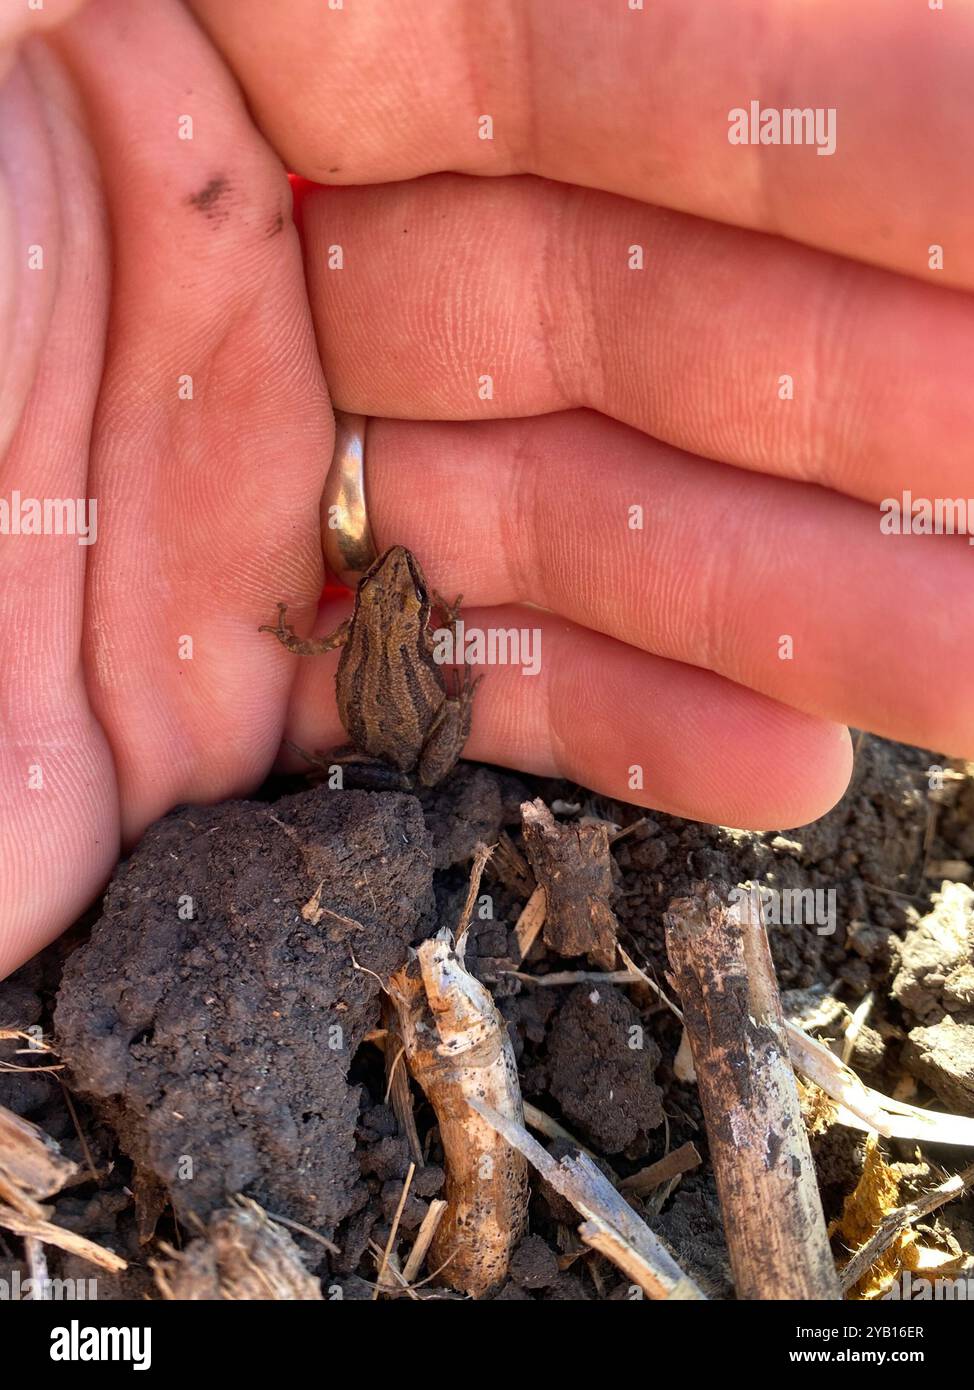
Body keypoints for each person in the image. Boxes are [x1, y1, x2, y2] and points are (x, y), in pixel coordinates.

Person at [1, 0, 970, 977]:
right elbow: (324, 641)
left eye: (401, 590)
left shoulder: (373, 632)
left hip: (381, 728)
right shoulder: (398, 634)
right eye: (404, 590)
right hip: (391, 733)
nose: (404, 589)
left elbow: (307, 637)